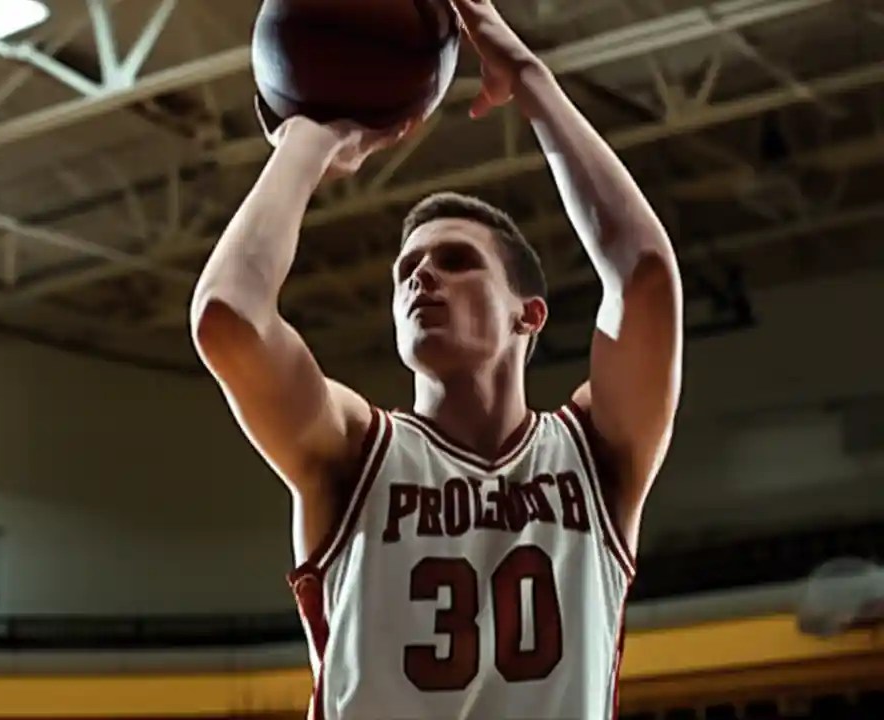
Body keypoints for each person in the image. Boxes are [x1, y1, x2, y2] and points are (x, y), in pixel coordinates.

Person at [188, 0, 683, 718]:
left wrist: (531, 79)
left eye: (456, 262)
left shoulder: (596, 454)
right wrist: (307, 139)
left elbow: (644, 276)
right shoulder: (354, 452)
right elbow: (226, 318)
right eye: (407, 270)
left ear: (529, 314)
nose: (421, 277)